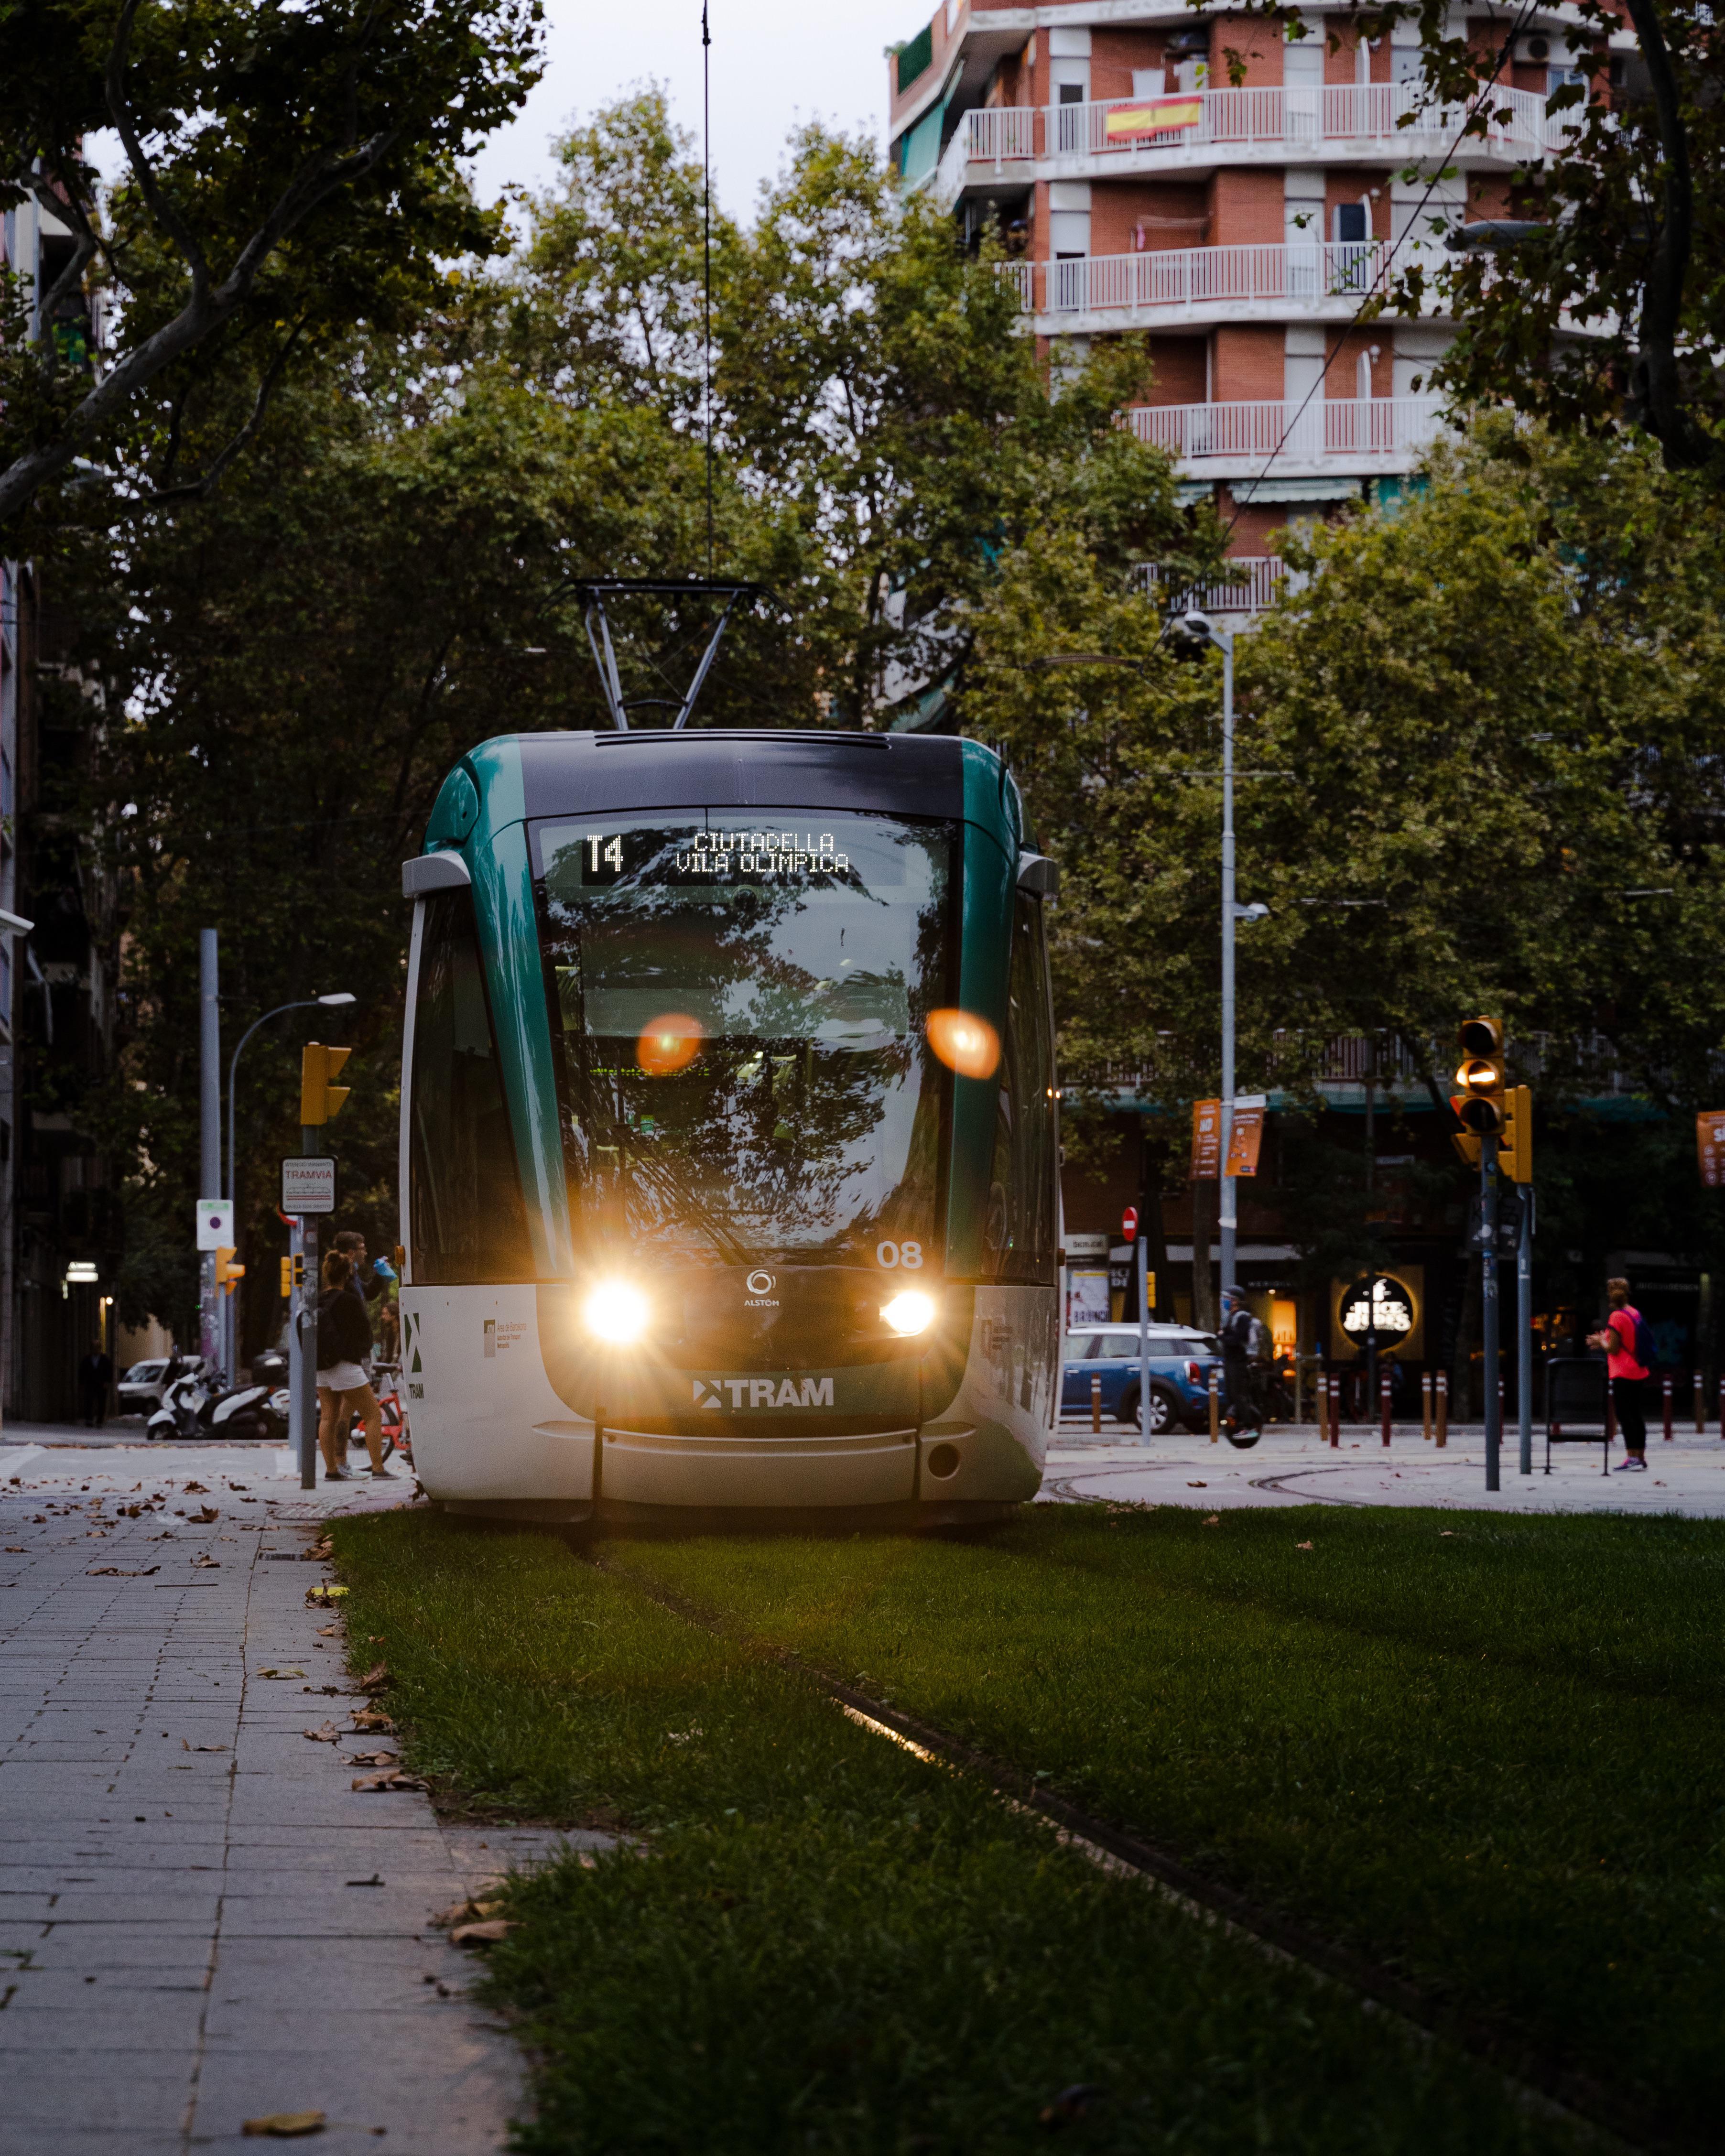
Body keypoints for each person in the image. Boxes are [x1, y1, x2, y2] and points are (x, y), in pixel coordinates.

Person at [315, 1250, 394, 1481]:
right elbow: (364, 1334)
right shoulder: (349, 1300)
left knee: (328, 1417)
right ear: (348, 1274)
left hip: (321, 1367)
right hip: (346, 1365)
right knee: (373, 1415)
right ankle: (378, 1468)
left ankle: (332, 1470)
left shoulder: (317, 1299)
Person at [1588, 1277, 1649, 1472]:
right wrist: (1603, 1338)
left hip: (1623, 1372)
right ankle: (1640, 1457)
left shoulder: (1617, 1316)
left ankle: (1631, 1457)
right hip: (1639, 1369)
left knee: (1625, 1415)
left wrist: (1600, 1343)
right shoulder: (1635, 1313)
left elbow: (1613, 1348)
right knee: (1637, 1415)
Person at [1218, 1289, 1261, 1435]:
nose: (1224, 1301)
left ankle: (1249, 1427)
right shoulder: (1232, 1316)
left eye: (1227, 1298)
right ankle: (1235, 1427)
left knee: (1238, 1395)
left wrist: (1223, 1336)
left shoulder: (1242, 1317)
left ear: (1235, 1301)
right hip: (1231, 1361)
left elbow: (1236, 1340)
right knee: (1232, 1395)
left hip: (1238, 1362)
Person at [78, 1344, 113, 1429]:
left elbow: (109, 1371)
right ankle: (89, 1420)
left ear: (100, 1349)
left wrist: (107, 1382)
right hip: (90, 1383)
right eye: (94, 1348)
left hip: (101, 1384)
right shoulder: (87, 1359)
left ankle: (99, 1421)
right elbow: (82, 1371)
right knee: (89, 1401)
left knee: (101, 1403)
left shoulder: (105, 1360)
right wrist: (82, 1383)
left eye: (97, 1348)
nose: (95, 1350)